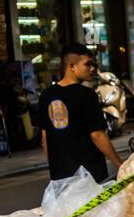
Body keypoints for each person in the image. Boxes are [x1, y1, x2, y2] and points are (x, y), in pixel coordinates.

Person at [38, 44, 121, 182]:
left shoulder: (46, 95)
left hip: (60, 177)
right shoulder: (87, 95)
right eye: (87, 64)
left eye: (93, 64)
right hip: (90, 175)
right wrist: (119, 164)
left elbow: (45, 137)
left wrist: (55, 167)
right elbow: (97, 135)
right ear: (72, 66)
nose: (92, 68)